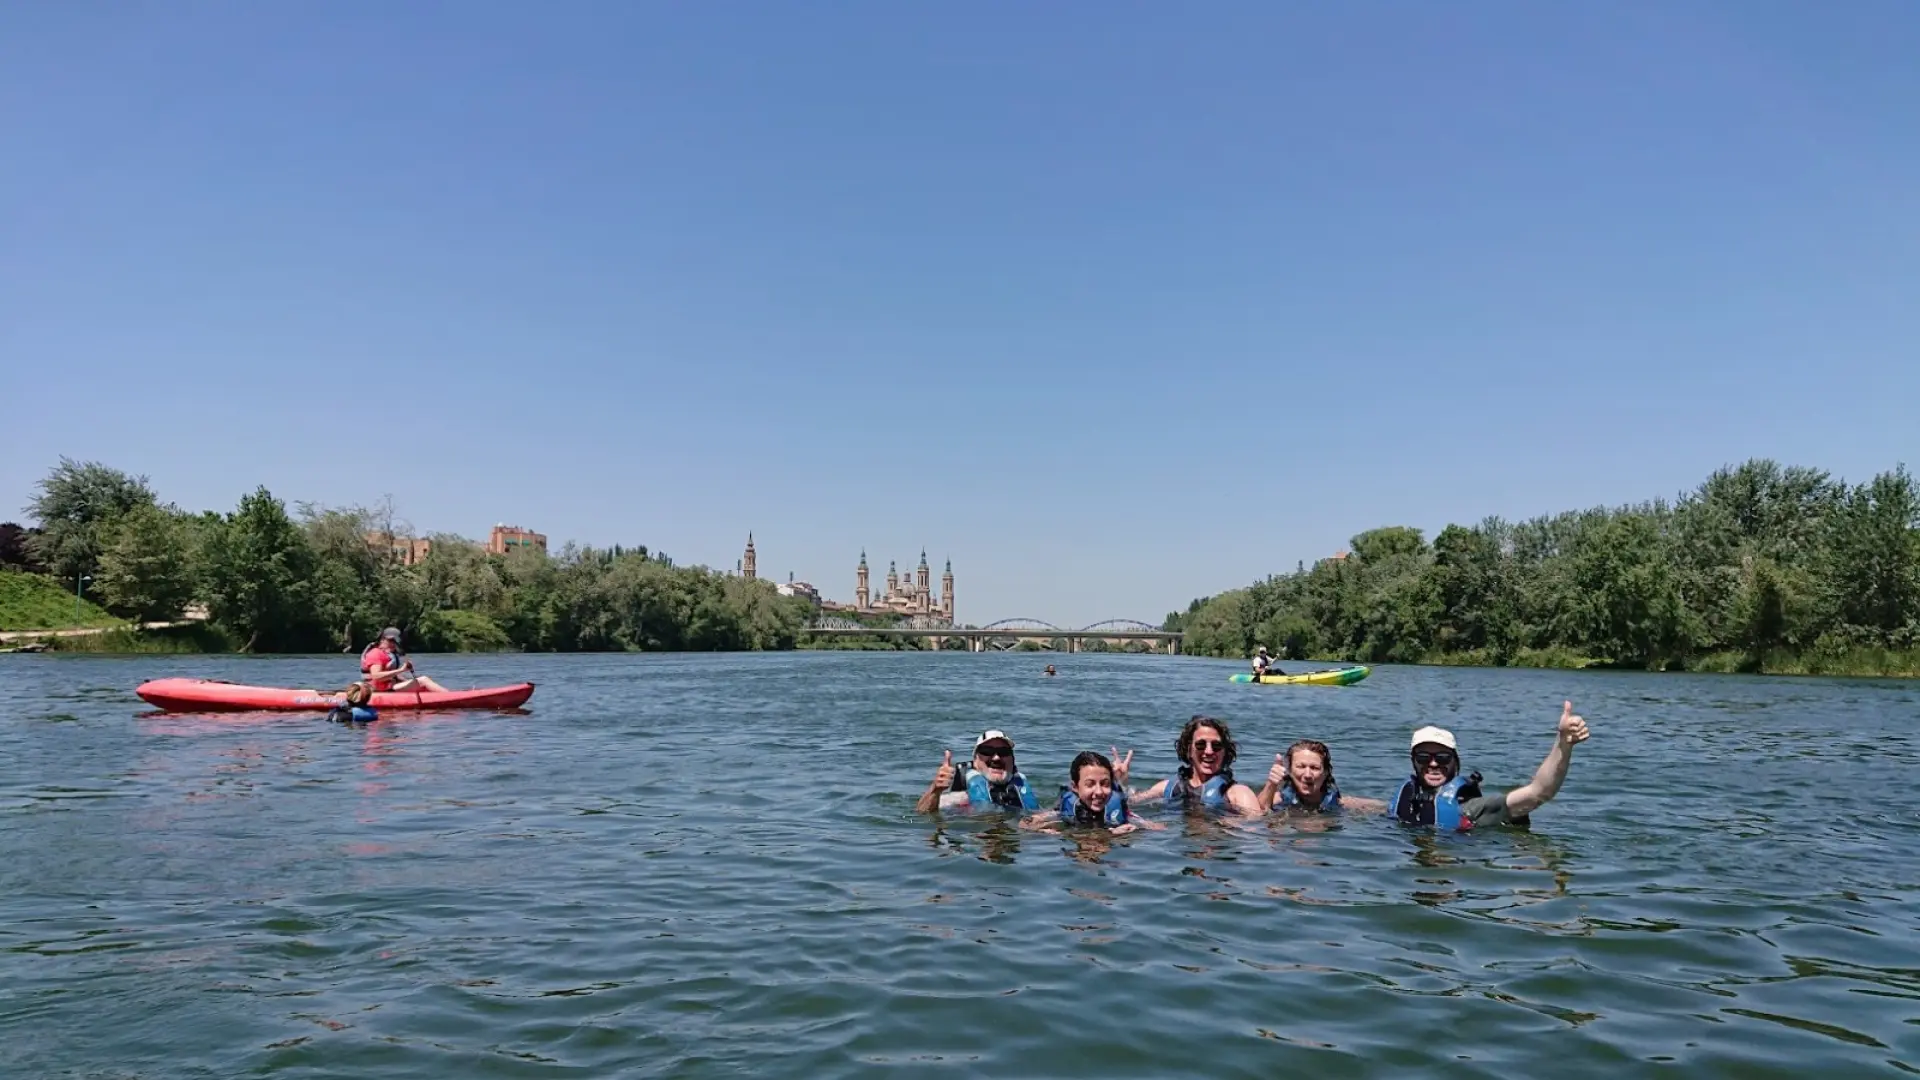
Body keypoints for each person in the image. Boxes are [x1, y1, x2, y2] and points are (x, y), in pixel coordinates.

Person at [1390, 701, 1591, 830]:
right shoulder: (1408, 798)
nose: (1433, 763)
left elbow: (1539, 792)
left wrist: (1563, 744)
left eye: (1442, 757)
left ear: (1455, 762)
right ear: (1413, 761)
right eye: (1423, 757)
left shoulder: (1474, 809)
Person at [1128, 715, 1265, 816]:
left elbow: (1255, 829)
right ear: (1189, 750)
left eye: (1216, 746)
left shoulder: (1239, 794)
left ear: (1225, 752)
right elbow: (1129, 804)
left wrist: (1229, 824)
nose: (1209, 751)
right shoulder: (1168, 788)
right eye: (1200, 745)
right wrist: (1119, 784)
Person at [1021, 751, 1163, 834]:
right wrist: (1041, 831)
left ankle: (1121, 782)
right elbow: (1024, 823)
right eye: (1090, 784)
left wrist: (1135, 831)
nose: (1099, 792)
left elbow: (1160, 829)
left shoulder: (1122, 812)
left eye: (1105, 784)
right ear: (1075, 787)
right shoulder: (1065, 811)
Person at [916, 729, 1040, 813]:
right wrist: (935, 790)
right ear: (975, 762)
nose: (996, 758)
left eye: (1004, 752)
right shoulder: (962, 798)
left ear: (1013, 760)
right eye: (987, 751)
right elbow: (922, 813)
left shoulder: (1023, 795)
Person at [1258, 739, 1386, 813]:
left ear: (1325, 773)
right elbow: (1258, 811)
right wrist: (1271, 783)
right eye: (1301, 767)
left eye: (1314, 768)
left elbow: (1383, 808)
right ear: (1290, 771)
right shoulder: (1278, 799)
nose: (1308, 774)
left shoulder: (1340, 803)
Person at [359, 627, 448, 693]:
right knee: (424, 680)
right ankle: (449, 697)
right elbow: (376, 676)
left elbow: (393, 676)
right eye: (390, 641)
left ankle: (445, 696)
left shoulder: (387, 655)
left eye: (395, 641)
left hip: (389, 687)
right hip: (378, 691)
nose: (393, 644)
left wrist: (409, 681)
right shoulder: (375, 653)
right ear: (382, 640)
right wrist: (401, 670)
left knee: (421, 683)